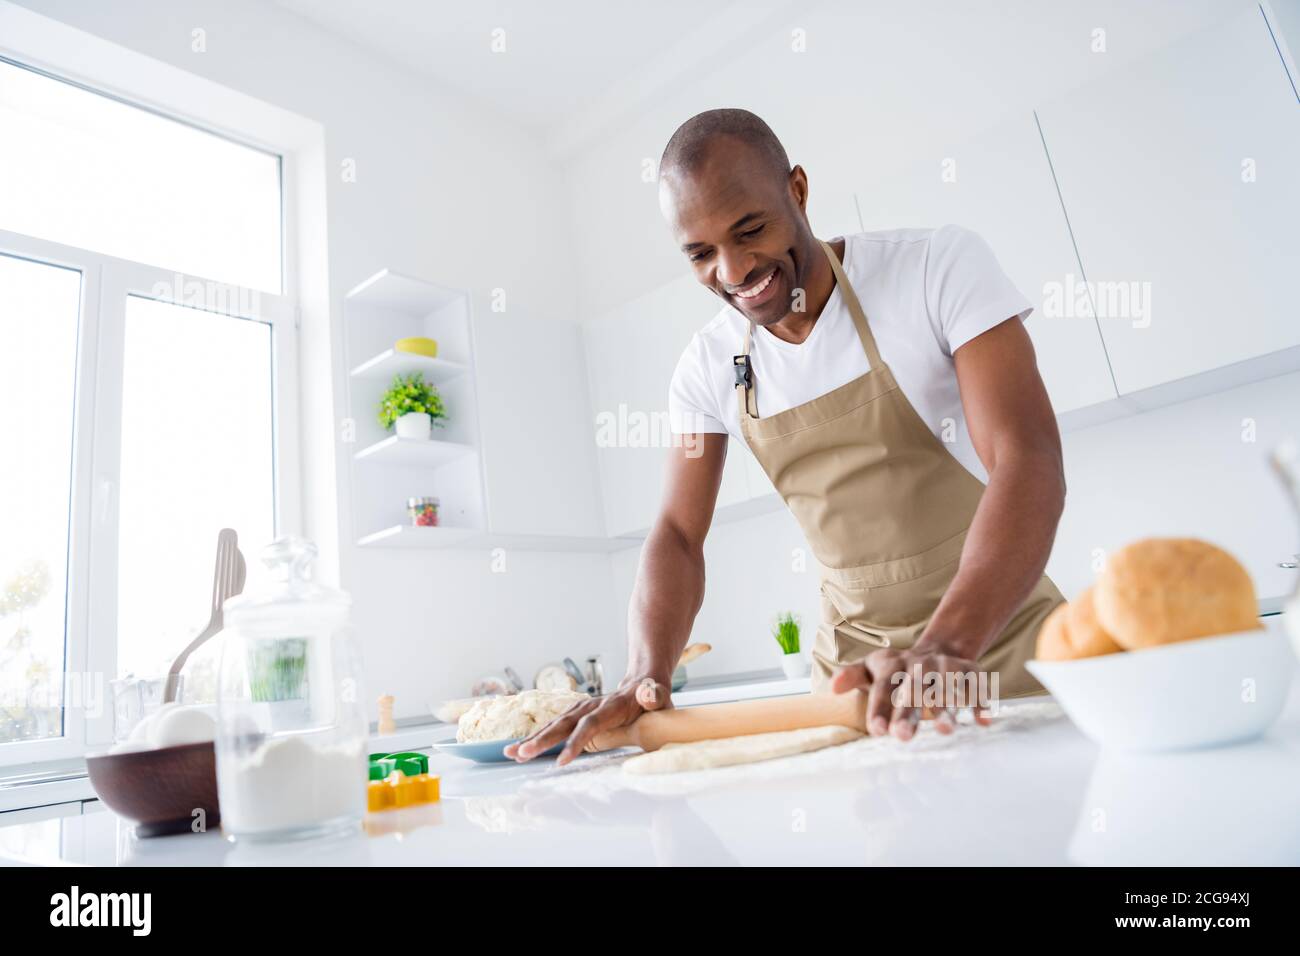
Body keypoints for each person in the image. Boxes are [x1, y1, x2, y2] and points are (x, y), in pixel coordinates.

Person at [508, 108, 1065, 766]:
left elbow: (1027, 460)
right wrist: (644, 672)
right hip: (851, 684)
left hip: (1000, 640)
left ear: (797, 190)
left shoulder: (934, 268)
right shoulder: (707, 368)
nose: (735, 268)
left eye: (751, 230)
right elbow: (678, 534)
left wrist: (947, 645)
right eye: (700, 254)